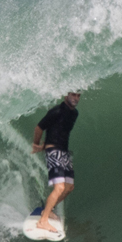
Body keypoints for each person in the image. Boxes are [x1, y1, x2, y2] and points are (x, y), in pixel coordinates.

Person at [30, 89, 81, 231]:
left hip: (64, 151)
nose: (76, 98)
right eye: (73, 94)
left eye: (78, 95)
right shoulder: (56, 111)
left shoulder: (74, 114)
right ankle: (43, 221)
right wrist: (37, 144)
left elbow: (59, 130)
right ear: (66, 95)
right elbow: (39, 128)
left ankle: (47, 210)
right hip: (54, 151)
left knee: (69, 187)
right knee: (59, 188)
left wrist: (46, 143)